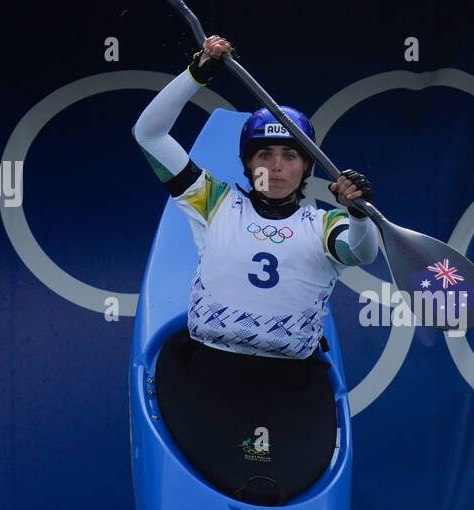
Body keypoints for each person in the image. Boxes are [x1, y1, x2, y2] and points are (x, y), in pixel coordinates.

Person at [131, 35, 379, 360]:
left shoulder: (324, 224)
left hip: (289, 386)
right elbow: (148, 134)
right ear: (248, 163)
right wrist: (198, 72)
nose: (276, 167)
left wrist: (359, 216)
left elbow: (361, 253)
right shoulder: (214, 202)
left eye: (289, 156)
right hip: (205, 373)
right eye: (264, 155)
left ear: (305, 166)